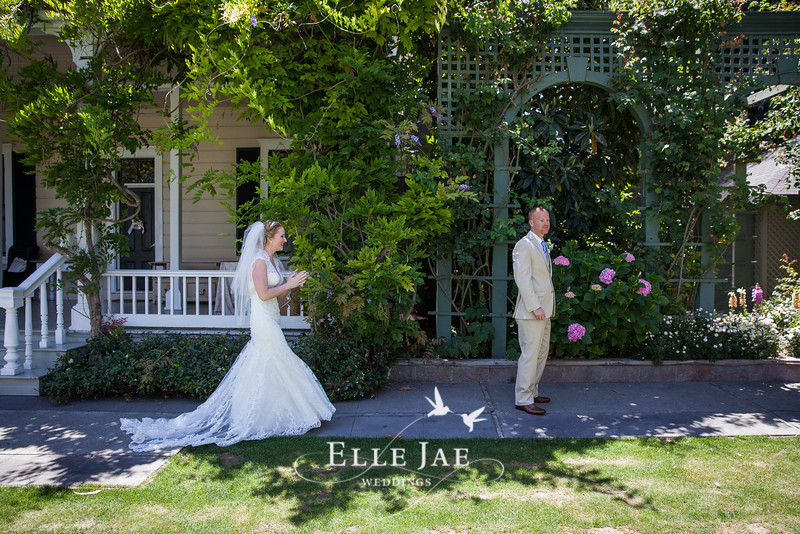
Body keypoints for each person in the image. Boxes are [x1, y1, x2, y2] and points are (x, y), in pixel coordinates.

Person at [120, 221, 335, 451]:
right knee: (280, 359)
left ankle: (268, 415)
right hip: (262, 321)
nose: (285, 240)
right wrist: (287, 285)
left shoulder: (274, 261)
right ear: (269, 238)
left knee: (267, 363)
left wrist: (291, 287)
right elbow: (263, 295)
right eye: (282, 236)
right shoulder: (259, 262)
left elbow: (277, 300)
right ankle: (272, 416)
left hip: (272, 318)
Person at [512, 206, 556, 416]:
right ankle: (523, 399)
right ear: (531, 222)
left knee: (540, 355)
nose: (545, 223)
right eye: (541, 220)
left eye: (547, 219)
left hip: (545, 311)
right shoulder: (524, 245)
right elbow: (523, 279)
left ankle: (532, 392)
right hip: (531, 312)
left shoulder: (541, 244)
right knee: (530, 356)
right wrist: (535, 306)